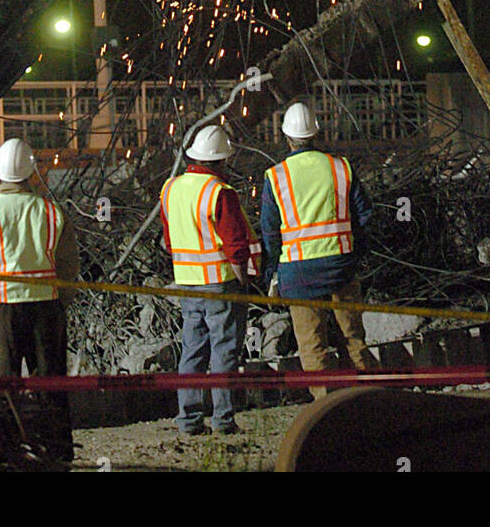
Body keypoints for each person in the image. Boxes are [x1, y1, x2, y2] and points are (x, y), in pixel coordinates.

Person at [0, 138, 80, 462]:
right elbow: (69, 263)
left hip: (0, 310)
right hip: (46, 308)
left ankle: (3, 454)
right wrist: (62, 298)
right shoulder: (50, 210)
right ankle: (55, 454)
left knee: (1, 387)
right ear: (30, 173)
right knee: (51, 383)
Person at [262, 101, 376, 398]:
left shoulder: (276, 176)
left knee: (312, 348)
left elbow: (270, 232)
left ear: (286, 136)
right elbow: (365, 215)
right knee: (353, 339)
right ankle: (367, 401)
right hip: (341, 265)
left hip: (298, 273)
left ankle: (325, 408)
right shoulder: (340, 168)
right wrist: (356, 254)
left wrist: (272, 272)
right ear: (316, 134)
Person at [160, 124, 260, 437]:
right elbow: (235, 244)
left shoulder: (170, 188)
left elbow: (168, 241)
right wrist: (243, 279)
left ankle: (188, 420)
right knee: (224, 351)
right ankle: (223, 420)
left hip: (187, 282)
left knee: (192, 350)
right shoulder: (220, 192)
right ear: (219, 161)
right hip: (220, 282)